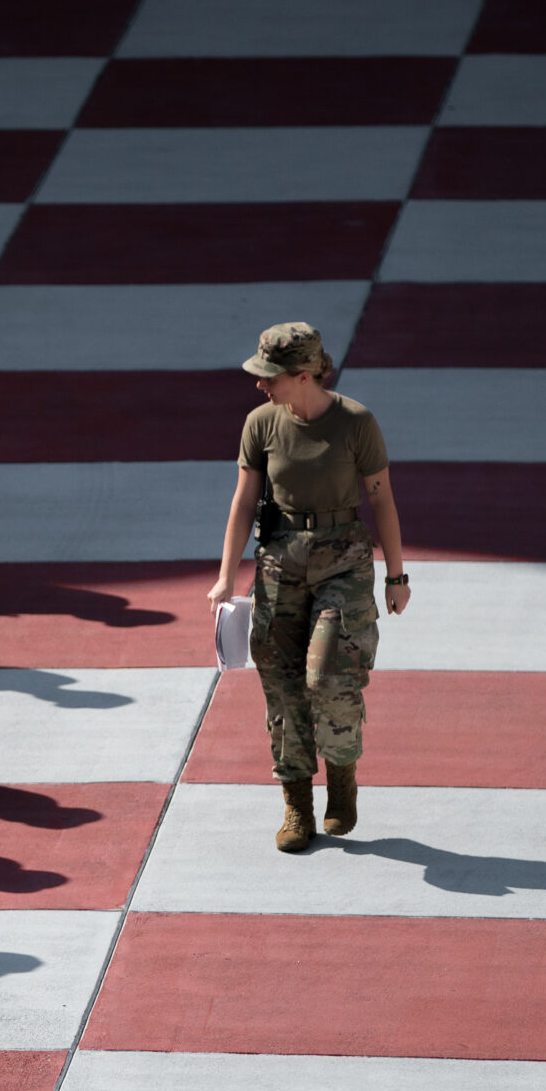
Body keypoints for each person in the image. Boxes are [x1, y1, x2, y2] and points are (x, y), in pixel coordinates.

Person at [207, 323, 411, 852]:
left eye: (269, 377)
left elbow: (382, 501)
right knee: (283, 687)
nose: (259, 385)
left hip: (343, 563)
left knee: (329, 675)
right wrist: (227, 575)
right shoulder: (261, 424)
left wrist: (396, 576)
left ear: (303, 376)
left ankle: (341, 778)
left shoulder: (356, 423)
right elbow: (243, 502)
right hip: (279, 564)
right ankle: (297, 806)